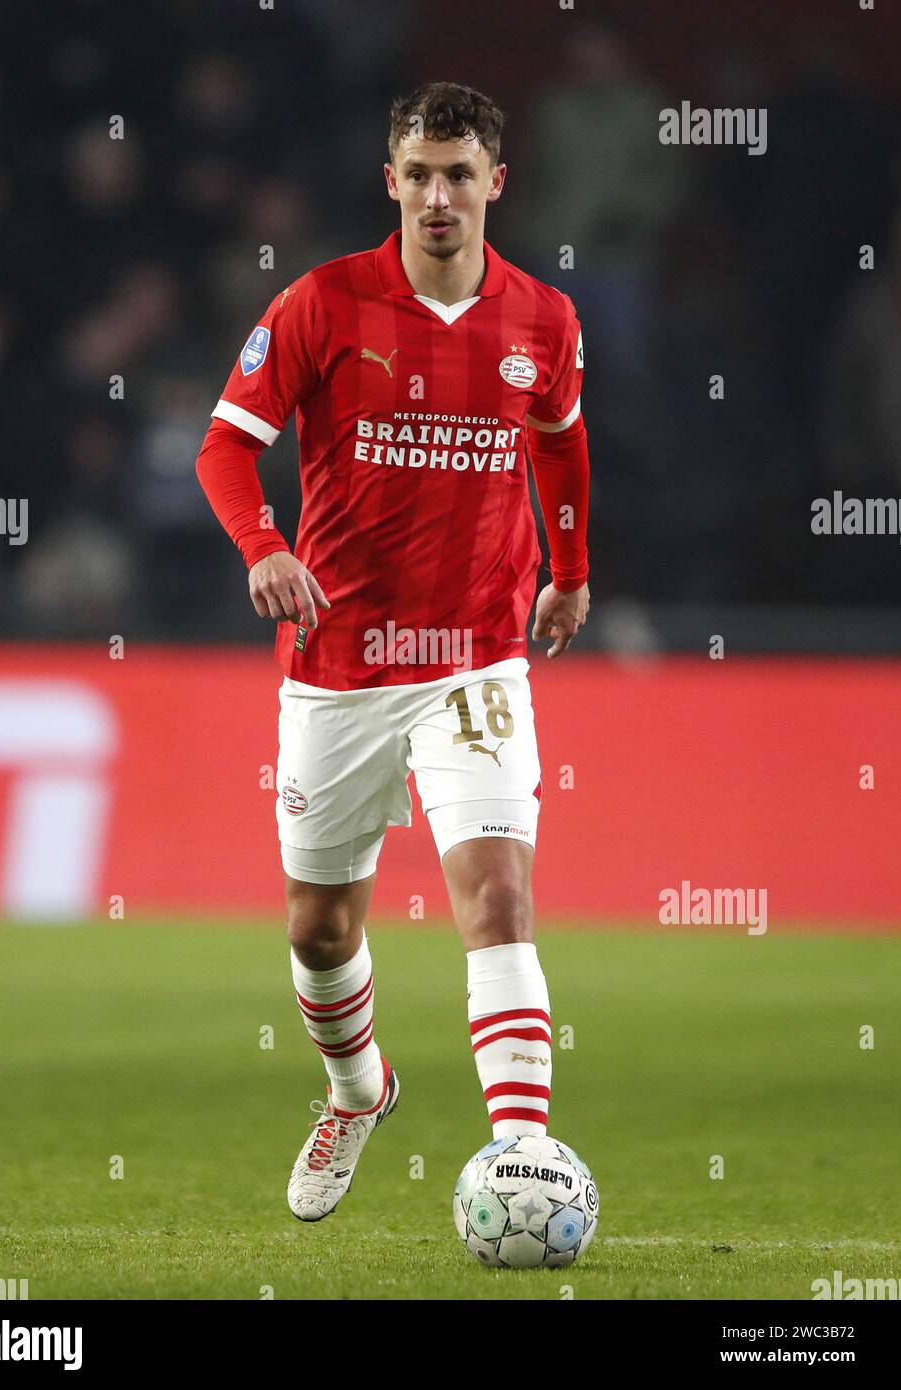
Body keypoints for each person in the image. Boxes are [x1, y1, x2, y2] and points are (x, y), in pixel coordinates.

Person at [196, 81, 591, 1222]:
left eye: (457, 175)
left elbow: (560, 451)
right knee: (319, 931)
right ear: (390, 181)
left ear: (494, 185)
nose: (435, 195)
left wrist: (568, 571)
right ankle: (357, 1090)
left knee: (497, 898)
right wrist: (263, 546)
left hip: (474, 655)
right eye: (416, 173)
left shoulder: (542, 321)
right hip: (341, 661)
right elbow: (226, 445)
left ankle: (520, 1154)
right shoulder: (323, 303)